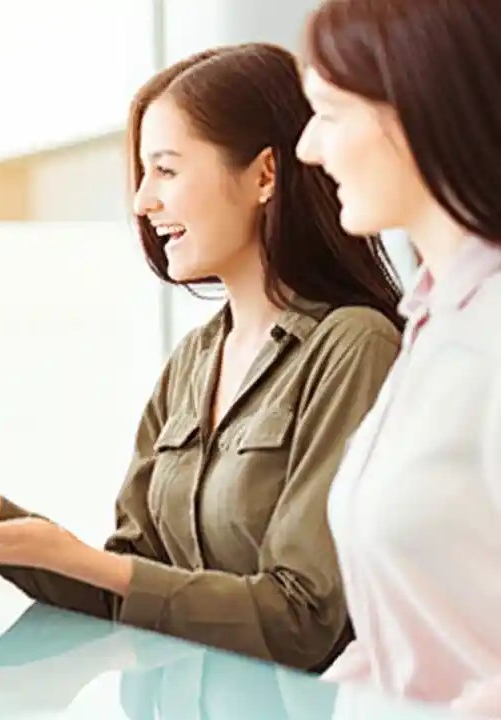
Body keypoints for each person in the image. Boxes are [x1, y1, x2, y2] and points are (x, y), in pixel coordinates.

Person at [0, 43, 405, 672]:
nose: (141, 201)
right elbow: (122, 585)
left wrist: (84, 560)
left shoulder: (353, 348)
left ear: (265, 175)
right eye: (143, 174)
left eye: (167, 170)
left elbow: (302, 621)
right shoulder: (194, 361)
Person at [294, 0, 501, 711]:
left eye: (328, 112)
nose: (307, 150)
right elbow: (406, 643)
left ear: (416, 108)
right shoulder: (432, 319)